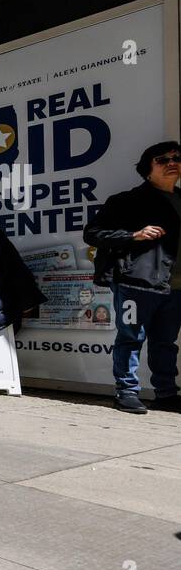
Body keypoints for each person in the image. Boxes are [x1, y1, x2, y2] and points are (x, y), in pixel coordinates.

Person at [84, 140, 181, 414]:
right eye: (162, 159)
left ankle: (166, 394)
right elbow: (92, 233)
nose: (172, 162)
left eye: (177, 157)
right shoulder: (127, 201)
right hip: (136, 282)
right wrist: (133, 235)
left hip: (175, 287)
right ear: (147, 169)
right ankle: (126, 392)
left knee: (165, 343)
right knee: (130, 338)